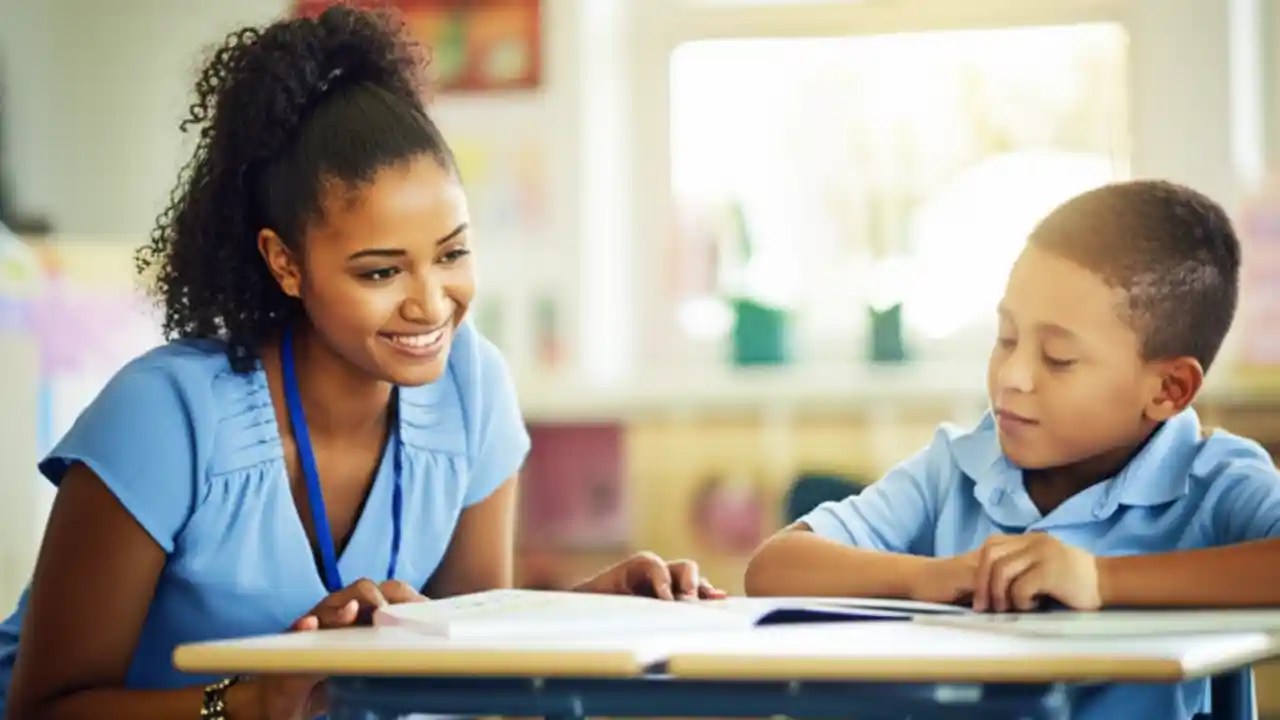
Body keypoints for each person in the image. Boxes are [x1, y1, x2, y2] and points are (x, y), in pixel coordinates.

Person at [0, 7, 720, 719]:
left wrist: (589, 614)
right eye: (381, 272)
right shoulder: (164, 416)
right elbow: (43, 707)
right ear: (285, 263)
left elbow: (460, 648)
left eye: (453, 253)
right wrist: (253, 704)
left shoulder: (473, 386)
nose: (431, 305)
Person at [745, 180, 1280, 720]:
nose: (1012, 376)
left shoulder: (1213, 482)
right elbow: (776, 567)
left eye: (1059, 357)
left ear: (1167, 390)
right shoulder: (956, 467)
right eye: (1005, 338)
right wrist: (930, 577)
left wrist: (1100, 580)